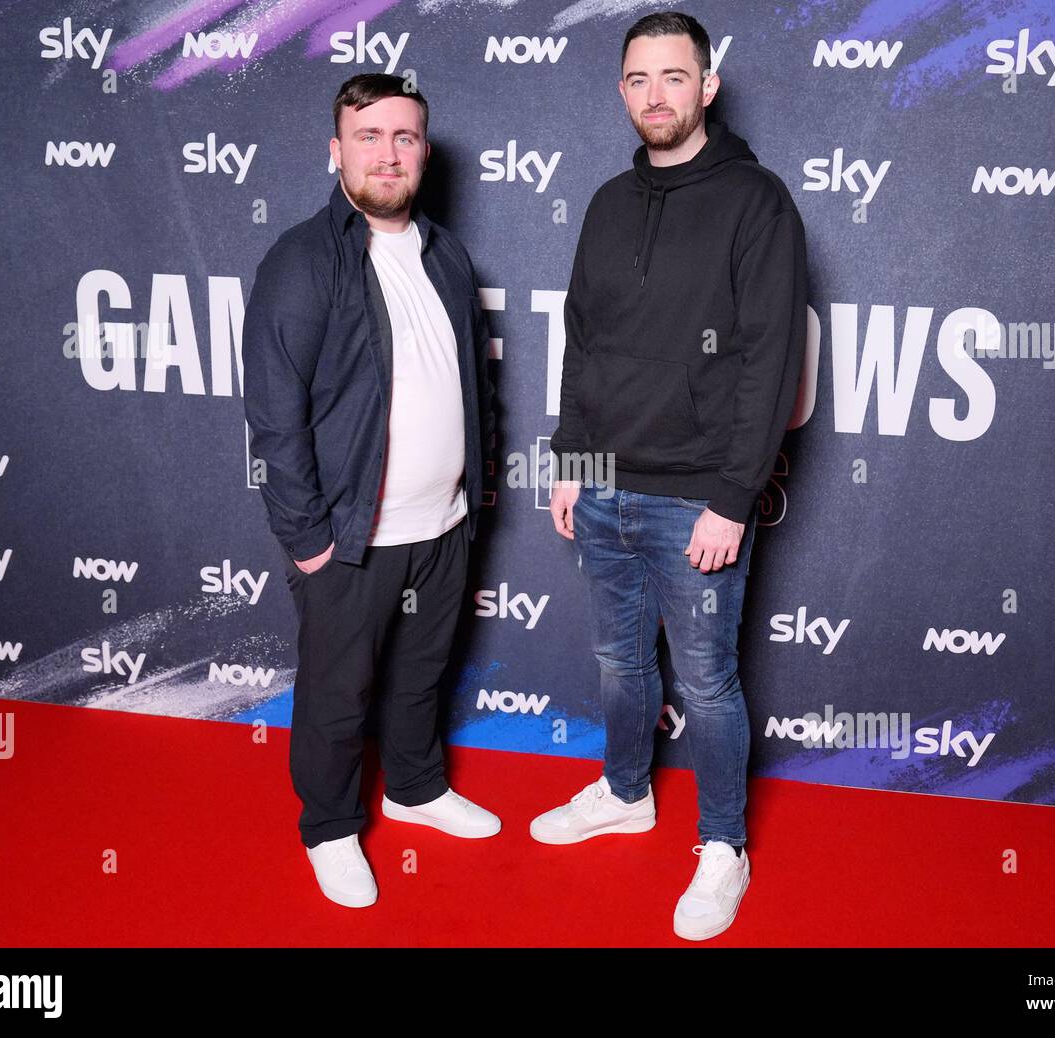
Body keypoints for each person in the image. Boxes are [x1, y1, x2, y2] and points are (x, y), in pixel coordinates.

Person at [537, 11, 808, 941]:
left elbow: (770, 359)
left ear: (708, 85)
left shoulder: (757, 201)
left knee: (706, 685)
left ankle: (724, 846)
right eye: (639, 79)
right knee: (619, 662)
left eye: (674, 76)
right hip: (604, 482)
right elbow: (582, 342)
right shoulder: (610, 202)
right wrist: (573, 460)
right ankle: (625, 793)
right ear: (624, 93)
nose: (657, 95)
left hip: (697, 494)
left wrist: (732, 496)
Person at [242, 73, 500, 909]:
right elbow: (275, 416)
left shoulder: (446, 252)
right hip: (352, 536)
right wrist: (308, 536)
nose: (387, 154)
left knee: (422, 677)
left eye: (404, 138)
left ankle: (416, 789)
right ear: (336, 150)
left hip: (444, 525)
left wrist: (475, 495)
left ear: (423, 151)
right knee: (336, 693)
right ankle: (329, 827)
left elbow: (469, 385)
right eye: (368, 137)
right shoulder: (302, 260)